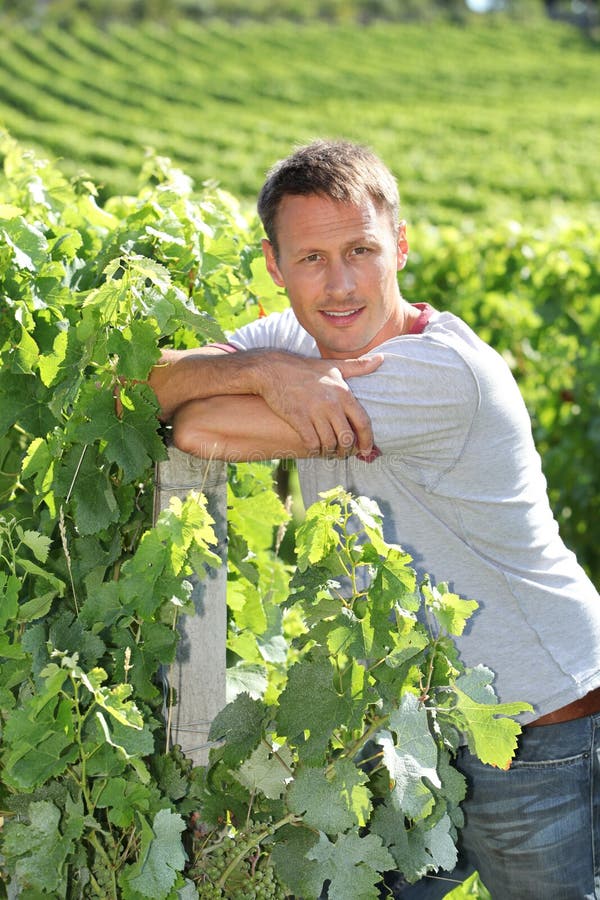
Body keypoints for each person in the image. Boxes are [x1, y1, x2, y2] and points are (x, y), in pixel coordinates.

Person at [149, 139, 600, 898]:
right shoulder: (297, 346)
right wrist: (268, 371)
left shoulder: (439, 374)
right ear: (274, 264)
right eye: (312, 258)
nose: (340, 282)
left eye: (361, 249)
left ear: (400, 246)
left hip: (540, 726)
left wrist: (253, 383)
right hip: (407, 722)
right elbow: (149, 381)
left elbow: (198, 429)